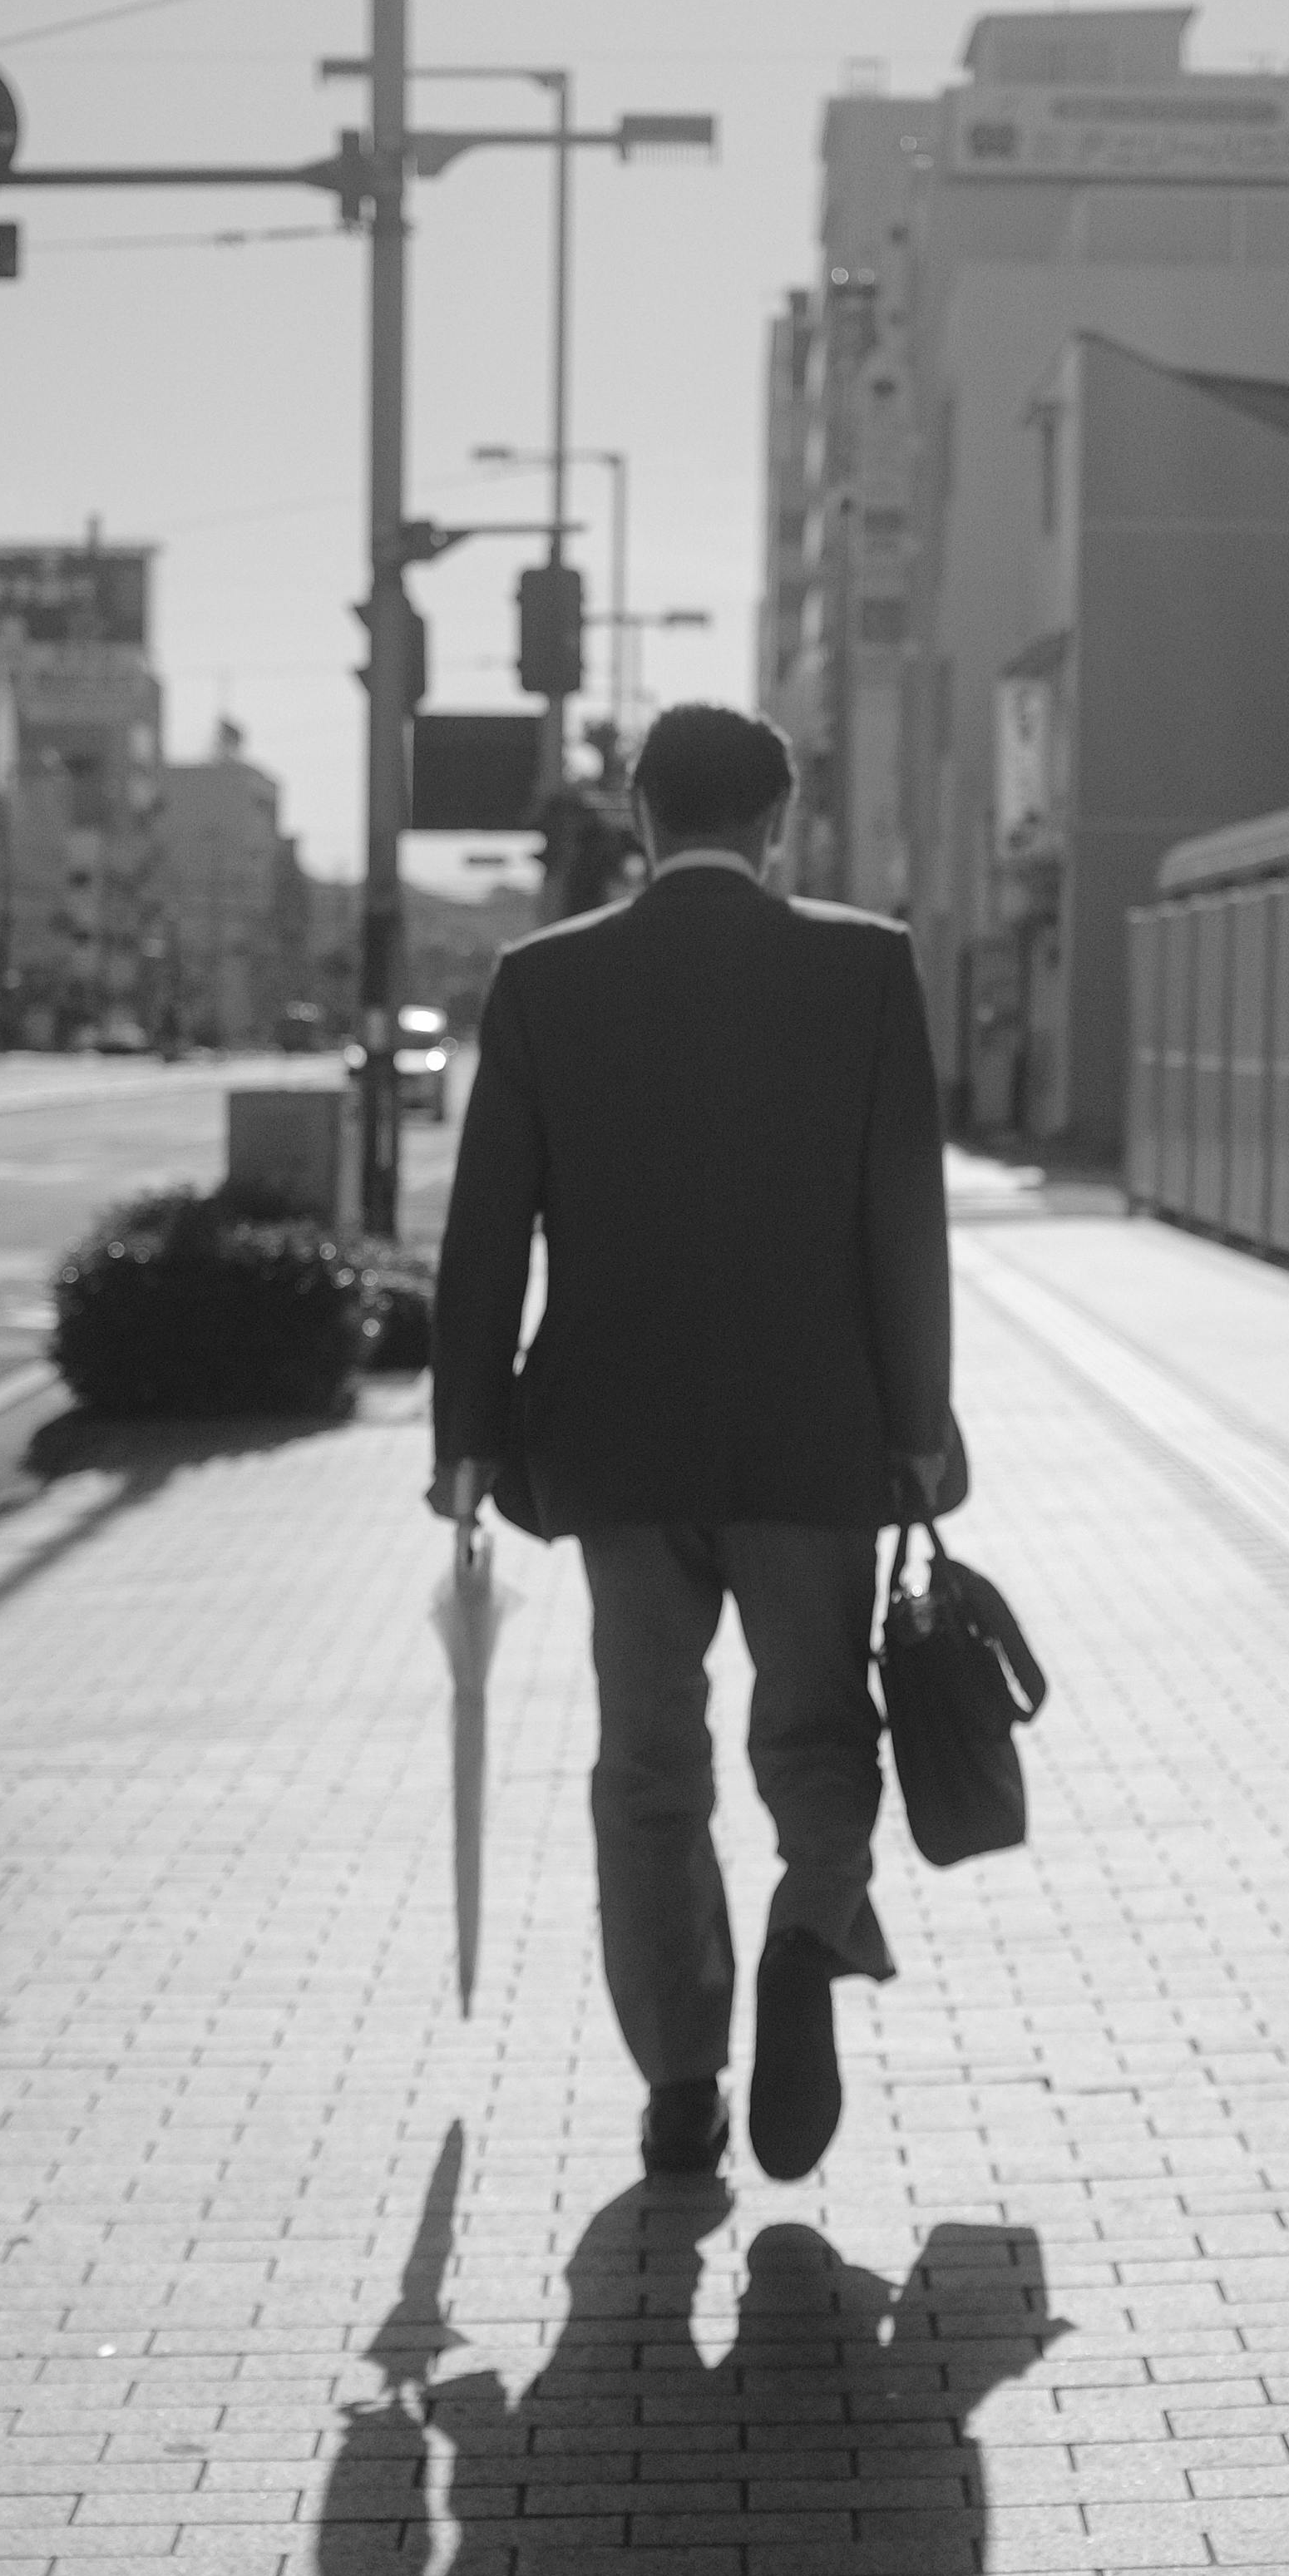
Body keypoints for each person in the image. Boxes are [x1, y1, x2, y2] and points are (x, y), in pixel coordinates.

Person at [428, 701, 961, 2184]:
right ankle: (807, 1927)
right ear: (779, 819)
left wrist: (465, 1438)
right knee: (816, 1728)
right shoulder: (863, 967)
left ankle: (679, 2081)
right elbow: (902, 1223)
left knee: (647, 1764)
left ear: (641, 819)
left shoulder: (544, 984)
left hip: (618, 1445)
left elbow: (485, 1236)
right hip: (816, 1435)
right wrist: (917, 1427)